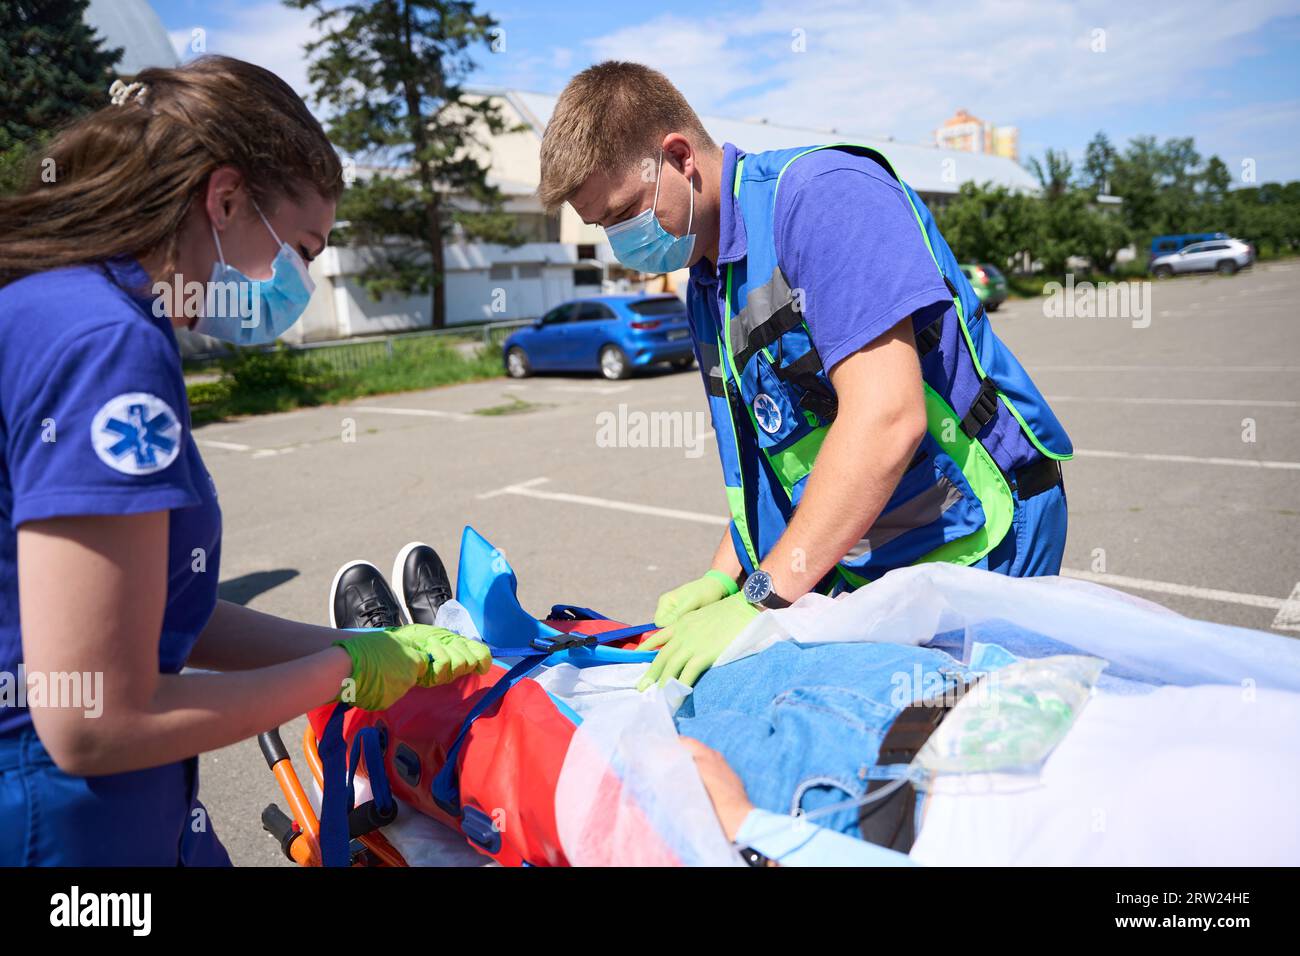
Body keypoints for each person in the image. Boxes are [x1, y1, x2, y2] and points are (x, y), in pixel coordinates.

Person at [0, 56, 487, 866]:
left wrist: (360, 648)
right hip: (66, 824)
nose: (299, 282)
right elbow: (96, 723)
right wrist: (340, 669)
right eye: (300, 249)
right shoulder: (108, 348)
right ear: (225, 199)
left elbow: (160, 615)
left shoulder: (57, 303)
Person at [536, 63, 1074, 690]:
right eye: (603, 227)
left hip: (982, 537)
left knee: (990, 746)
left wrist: (760, 598)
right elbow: (772, 462)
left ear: (679, 156)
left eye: (625, 211)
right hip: (881, 556)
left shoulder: (822, 197)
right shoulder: (708, 285)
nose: (620, 242)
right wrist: (725, 576)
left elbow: (887, 419)